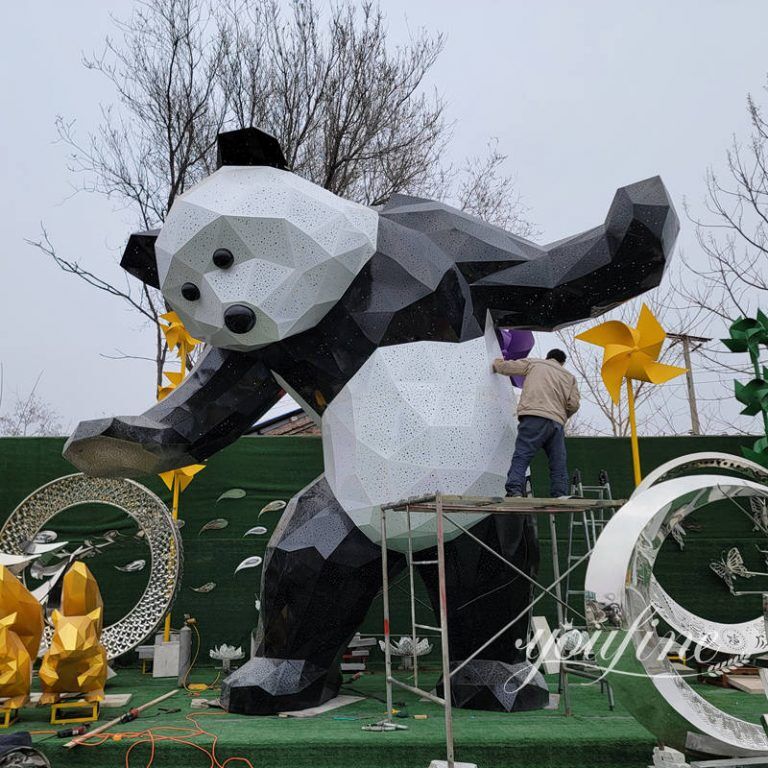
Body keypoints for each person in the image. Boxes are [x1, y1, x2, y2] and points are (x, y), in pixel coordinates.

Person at [492, 348, 580, 498]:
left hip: (534, 417)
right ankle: (560, 494)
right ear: (562, 362)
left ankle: (514, 491)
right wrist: (562, 415)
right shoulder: (569, 377)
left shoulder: (535, 363)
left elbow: (508, 367)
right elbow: (574, 405)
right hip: (556, 424)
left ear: (548, 357)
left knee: (523, 455)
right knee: (557, 461)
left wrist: (496, 362)